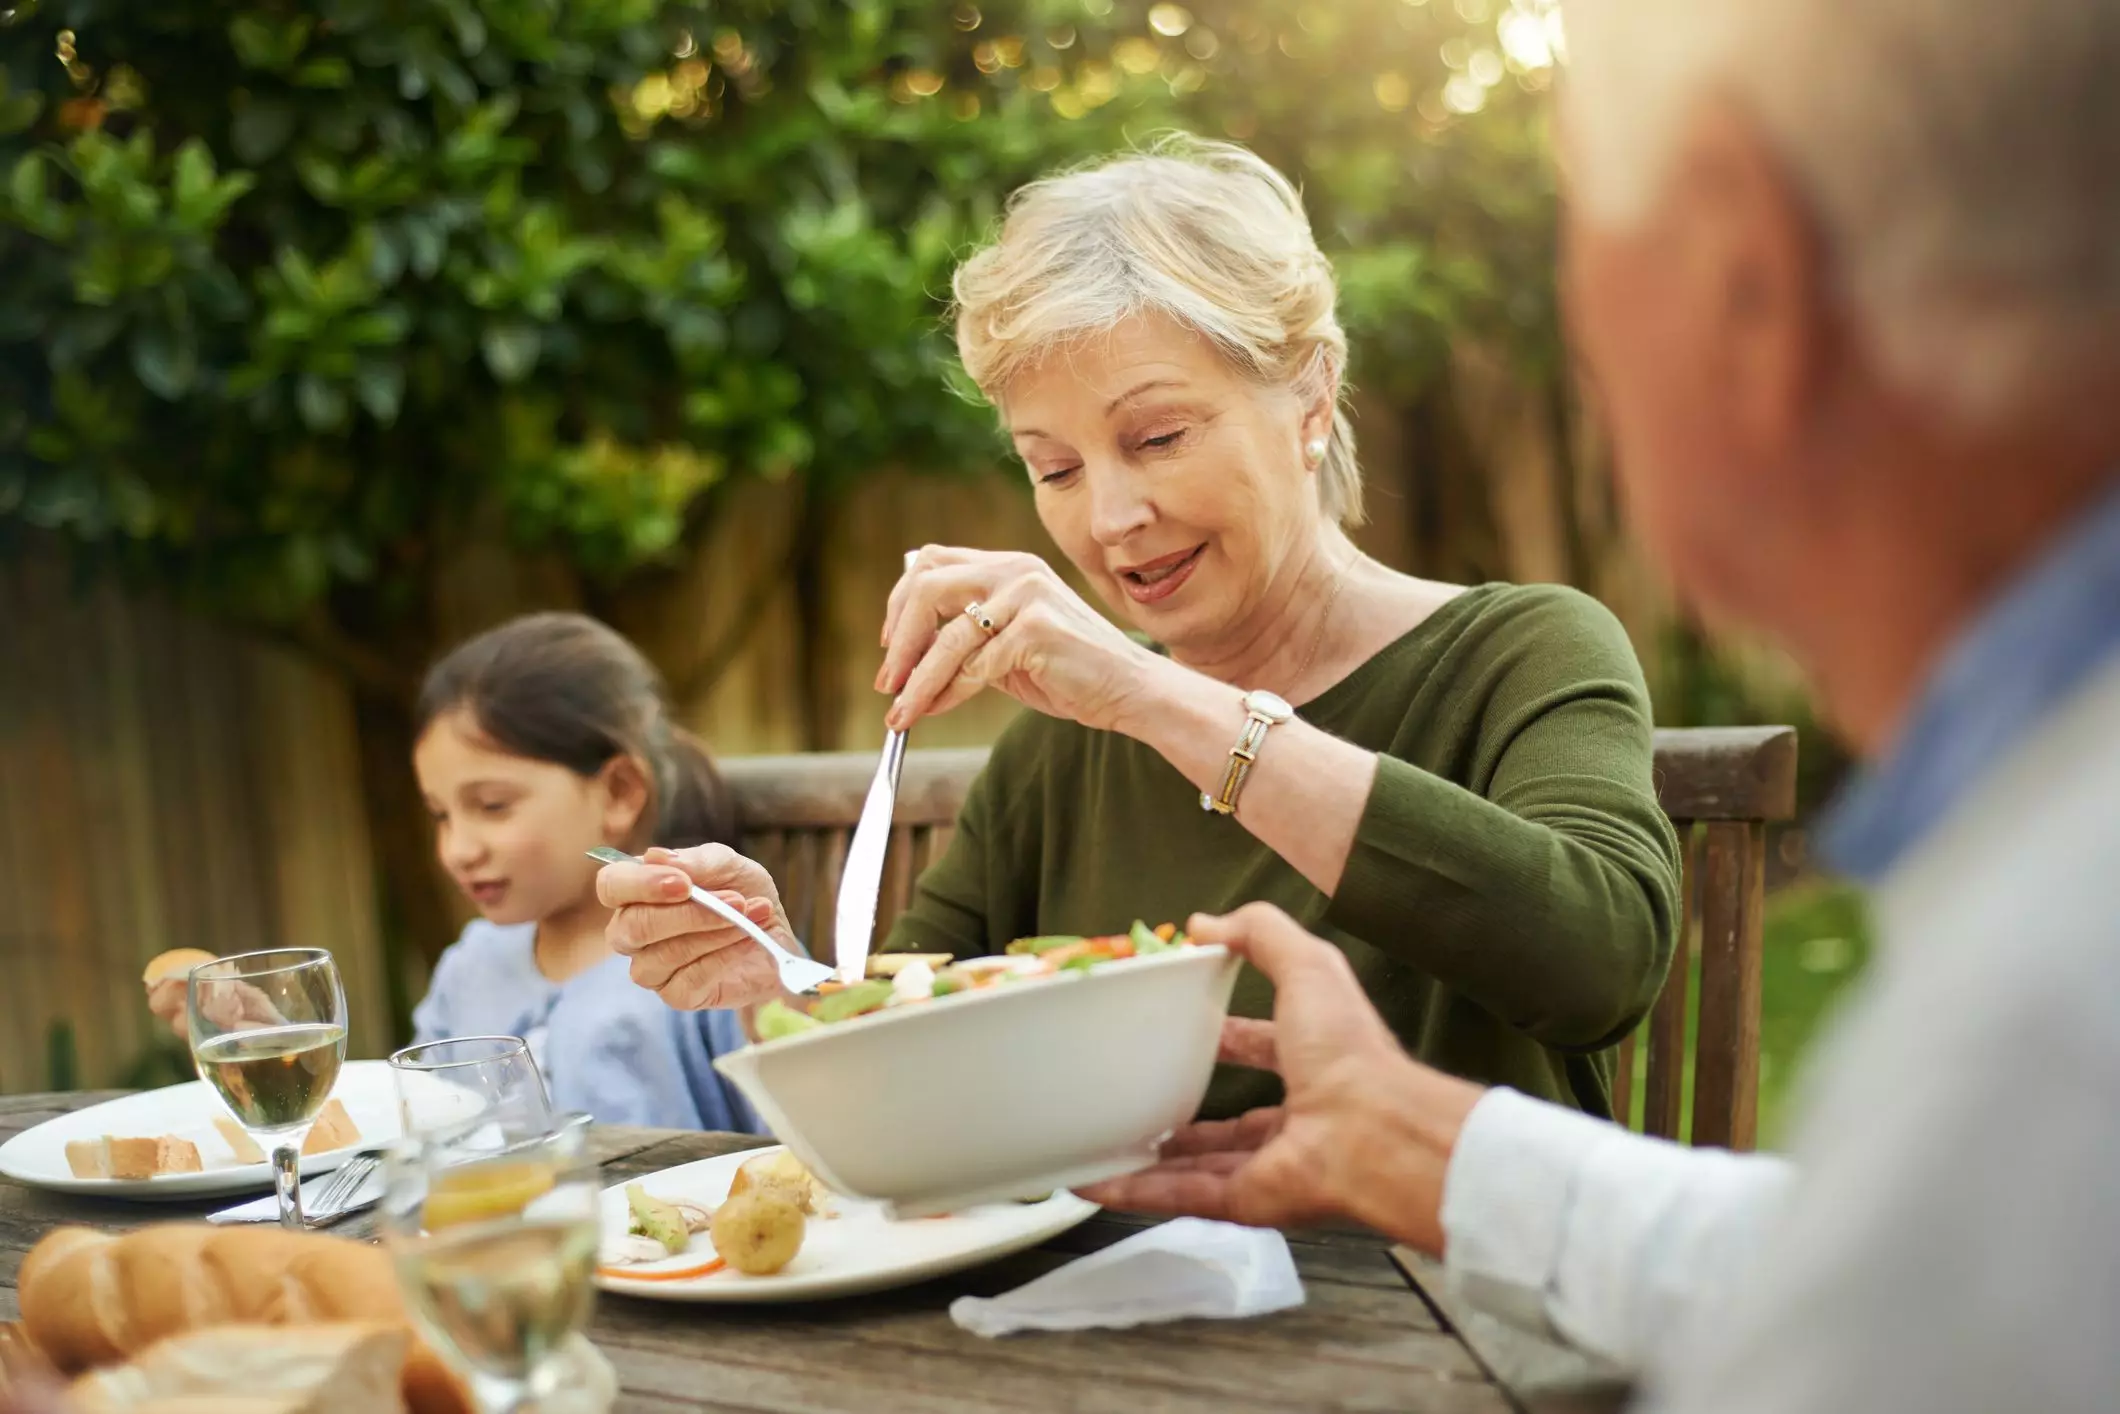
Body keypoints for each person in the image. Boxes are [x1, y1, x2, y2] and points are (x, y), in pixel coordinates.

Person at [1087, 0, 2120, 1410]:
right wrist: (1427, 1146)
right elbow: (1840, 1270)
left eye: (1579, 224)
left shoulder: (2042, 1022)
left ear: (1744, 280)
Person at [599, 140, 1683, 1121]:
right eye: (1053, 469)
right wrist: (781, 978)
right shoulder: (1055, 752)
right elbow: (908, 1075)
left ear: (1310, 399)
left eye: (1156, 436)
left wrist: (1151, 697)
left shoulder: (1519, 655)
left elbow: (1596, 961)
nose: (1107, 520)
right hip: (1109, 1318)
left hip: (1423, 1311)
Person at [150, 612, 763, 1133]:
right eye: (441, 815)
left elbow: (804, 1137)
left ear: (619, 793)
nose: (457, 850)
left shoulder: (707, 953)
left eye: (492, 806)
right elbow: (410, 1133)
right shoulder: (471, 967)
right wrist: (274, 1041)